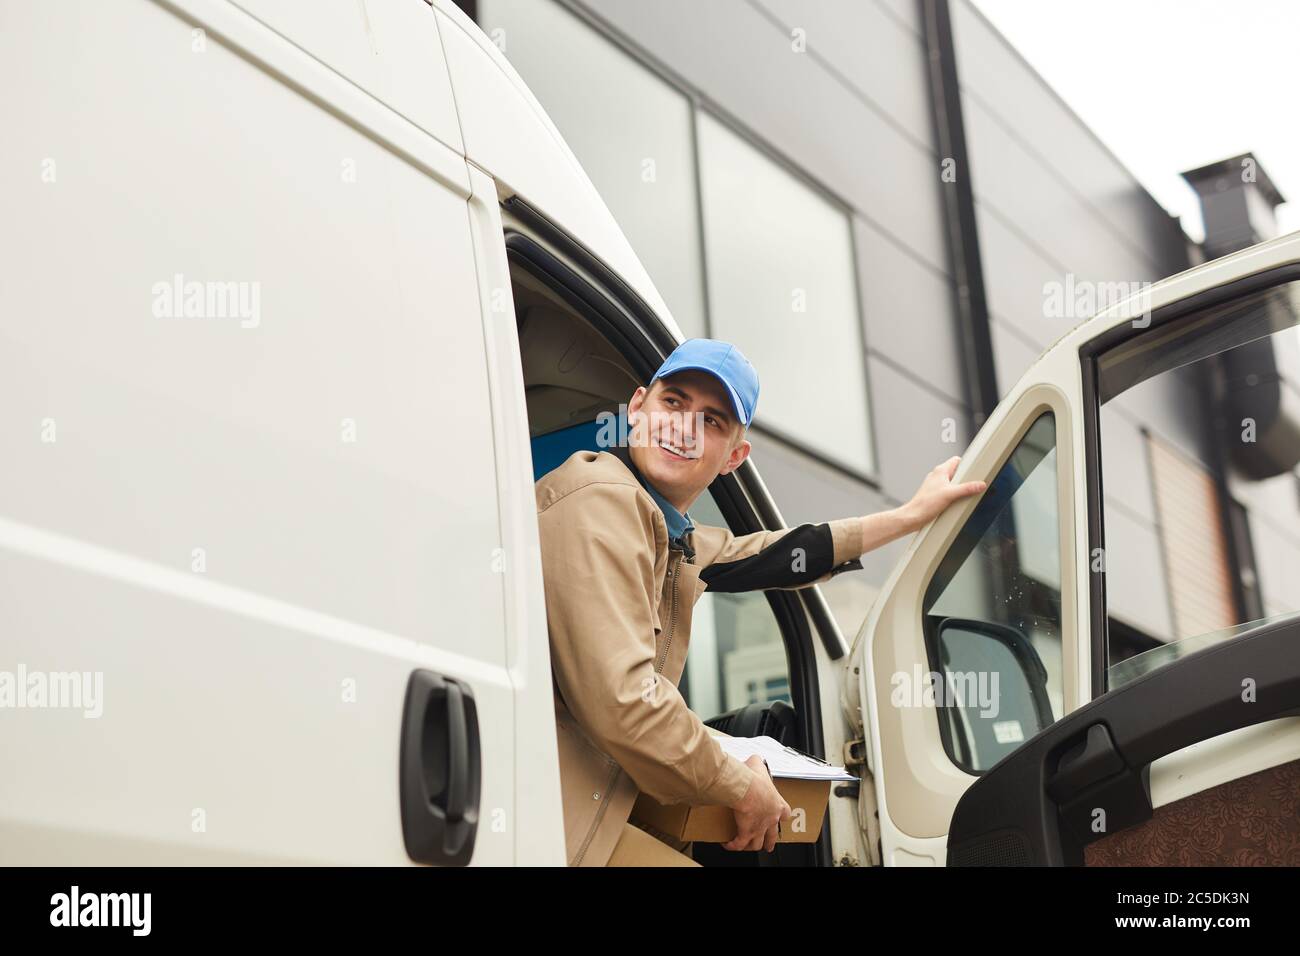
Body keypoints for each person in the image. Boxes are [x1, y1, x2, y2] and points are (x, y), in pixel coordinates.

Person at [535, 338, 986, 866]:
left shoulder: (666, 529)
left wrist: (910, 516)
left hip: (581, 804)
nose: (684, 428)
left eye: (713, 421)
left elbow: (775, 553)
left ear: (734, 457)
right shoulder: (604, 498)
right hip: (546, 814)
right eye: (673, 402)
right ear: (637, 407)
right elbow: (626, 701)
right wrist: (741, 786)